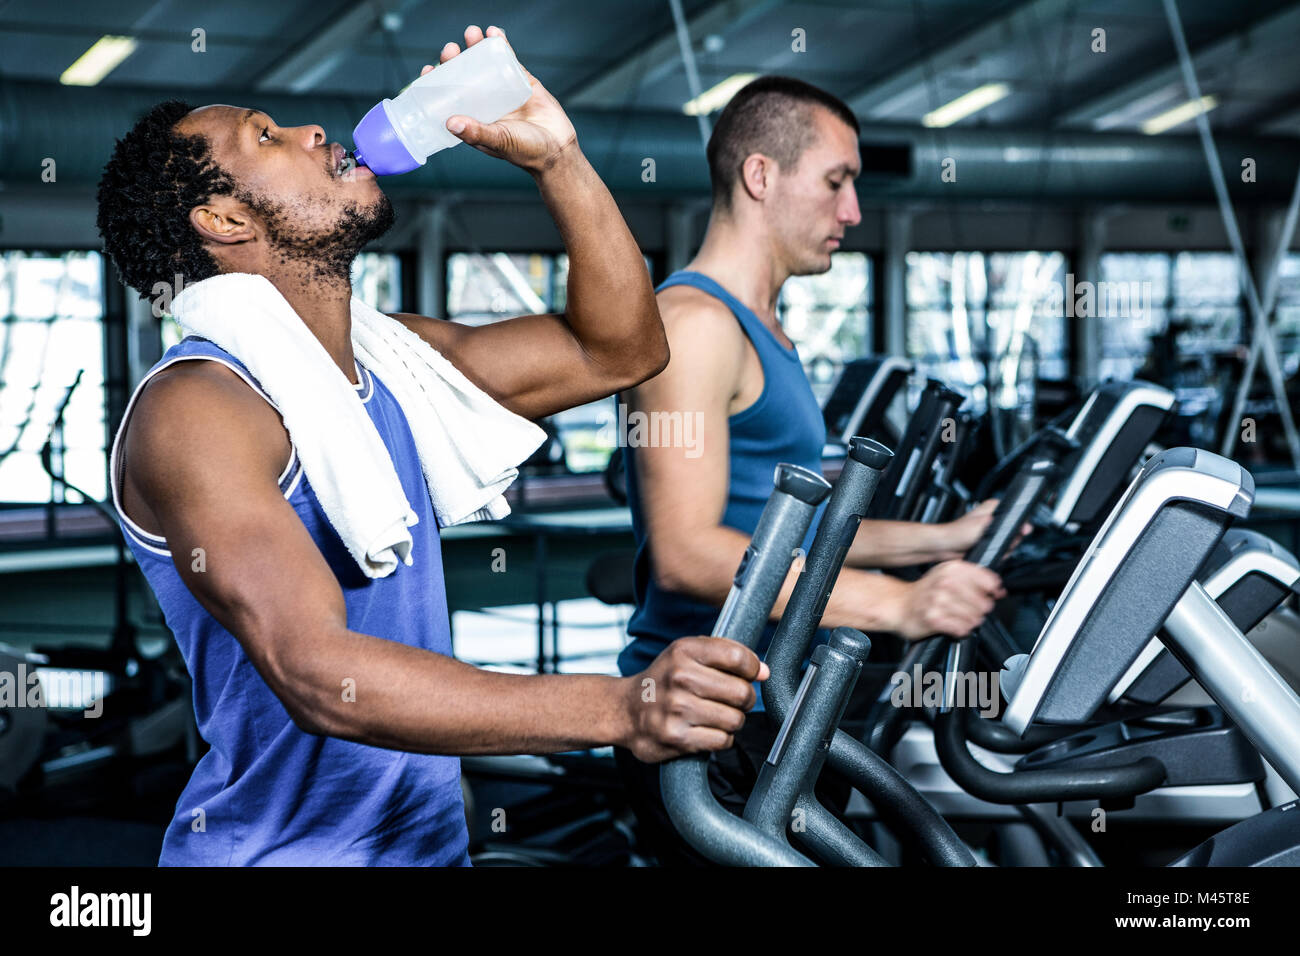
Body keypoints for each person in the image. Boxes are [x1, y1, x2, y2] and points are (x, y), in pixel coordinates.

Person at [96, 25, 759, 866]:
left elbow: (621, 350)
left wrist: (559, 159)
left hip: (428, 848)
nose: (311, 133)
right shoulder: (199, 406)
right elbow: (315, 670)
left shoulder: (397, 363)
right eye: (265, 136)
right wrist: (622, 708)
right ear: (224, 218)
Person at [613, 76, 1005, 864]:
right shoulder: (694, 325)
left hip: (773, 705)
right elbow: (689, 551)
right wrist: (899, 605)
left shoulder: (767, 332)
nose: (853, 212)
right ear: (761, 176)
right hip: (708, 722)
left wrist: (945, 539)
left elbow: (793, 529)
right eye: (836, 181)